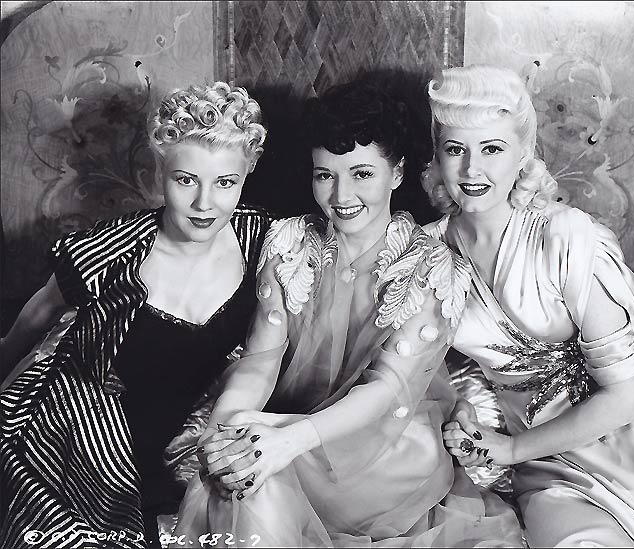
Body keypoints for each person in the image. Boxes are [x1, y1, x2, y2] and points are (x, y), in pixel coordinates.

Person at [169, 79, 524, 548]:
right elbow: (260, 360)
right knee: (242, 471)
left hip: (386, 445)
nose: (341, 195)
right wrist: (227, 425)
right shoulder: (290, 243)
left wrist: (286, 440)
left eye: (361, 173)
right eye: (325, 175)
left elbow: (384, 390)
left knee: (260, 471)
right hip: (290, 420)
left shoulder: (433, 267)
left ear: (397, 173)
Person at [0, 82, 274, 548]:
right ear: (159, 171)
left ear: (246, 175)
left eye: (225, 183)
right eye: (186, 180)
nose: (205, 204)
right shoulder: (109, 251)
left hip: (174, 437)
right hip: (72, 436)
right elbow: (36, 315)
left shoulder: (260, 238)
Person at [422, 64, 634, 547]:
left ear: (523, 154)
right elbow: (438, 367)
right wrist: (464, 413)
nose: (472, 170)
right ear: (437, 155)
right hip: (545, 465)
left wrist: (510, 449)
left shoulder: (565, 238)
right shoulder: (428, 253)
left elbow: (627, 398)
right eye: (455, 149)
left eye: (492, 149)